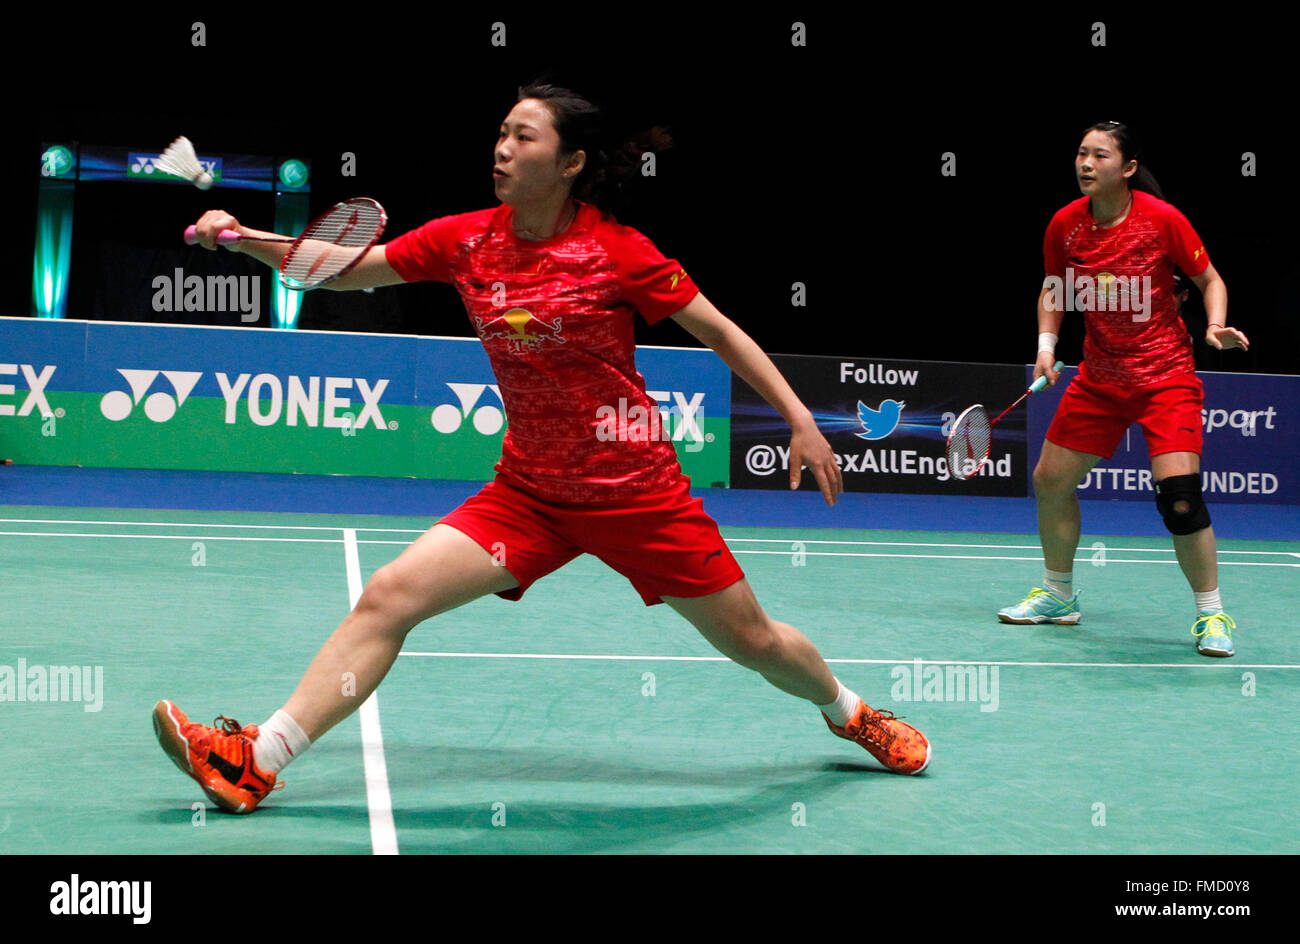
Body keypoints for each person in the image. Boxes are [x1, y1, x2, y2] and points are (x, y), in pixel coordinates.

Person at [152, 82, 931, 814]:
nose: (500, 148)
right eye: (499, 132)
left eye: (521, 136)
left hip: (638, 495)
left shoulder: (617, 250)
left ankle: (849, 712)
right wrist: (244, 239)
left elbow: (720, 330)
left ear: (569, 163)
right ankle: (257, 759)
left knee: (755, 642)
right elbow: (337, 272)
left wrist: (798, 418)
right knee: (390, 596)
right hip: (530, 494)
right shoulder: (465, 241)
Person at [998, 121, 1250, 657]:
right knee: (1049, 482)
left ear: (1128, 168)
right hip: (1100, 378)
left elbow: (1210, 279)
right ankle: (1059, 595)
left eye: (1100, 156)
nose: (1085, 164)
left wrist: (1213, 326)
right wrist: (1046, 345)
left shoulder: (1162, 220)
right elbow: (1054, 289)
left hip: (1165, 379)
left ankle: (1211, 613)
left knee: (1180, 500)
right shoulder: (1065, 225)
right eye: (1081, 153)